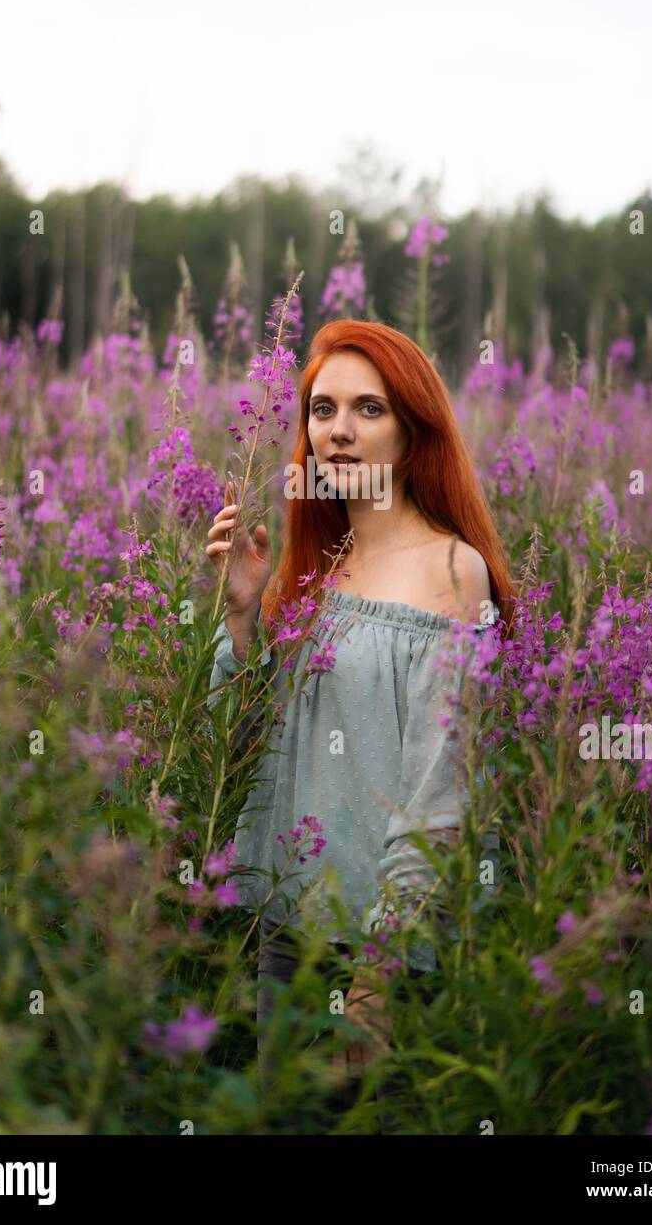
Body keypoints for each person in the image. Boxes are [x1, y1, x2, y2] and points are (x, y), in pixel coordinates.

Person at [205, 319, 515, 1104]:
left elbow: (440, 796)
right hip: (285, 934)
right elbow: (236, 753)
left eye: (369, 410)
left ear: (414, 434)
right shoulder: (315, 567)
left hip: (374, 950)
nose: (339, 430)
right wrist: (244, 619)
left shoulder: (453, 570)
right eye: (322, 409)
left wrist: (379, 978)